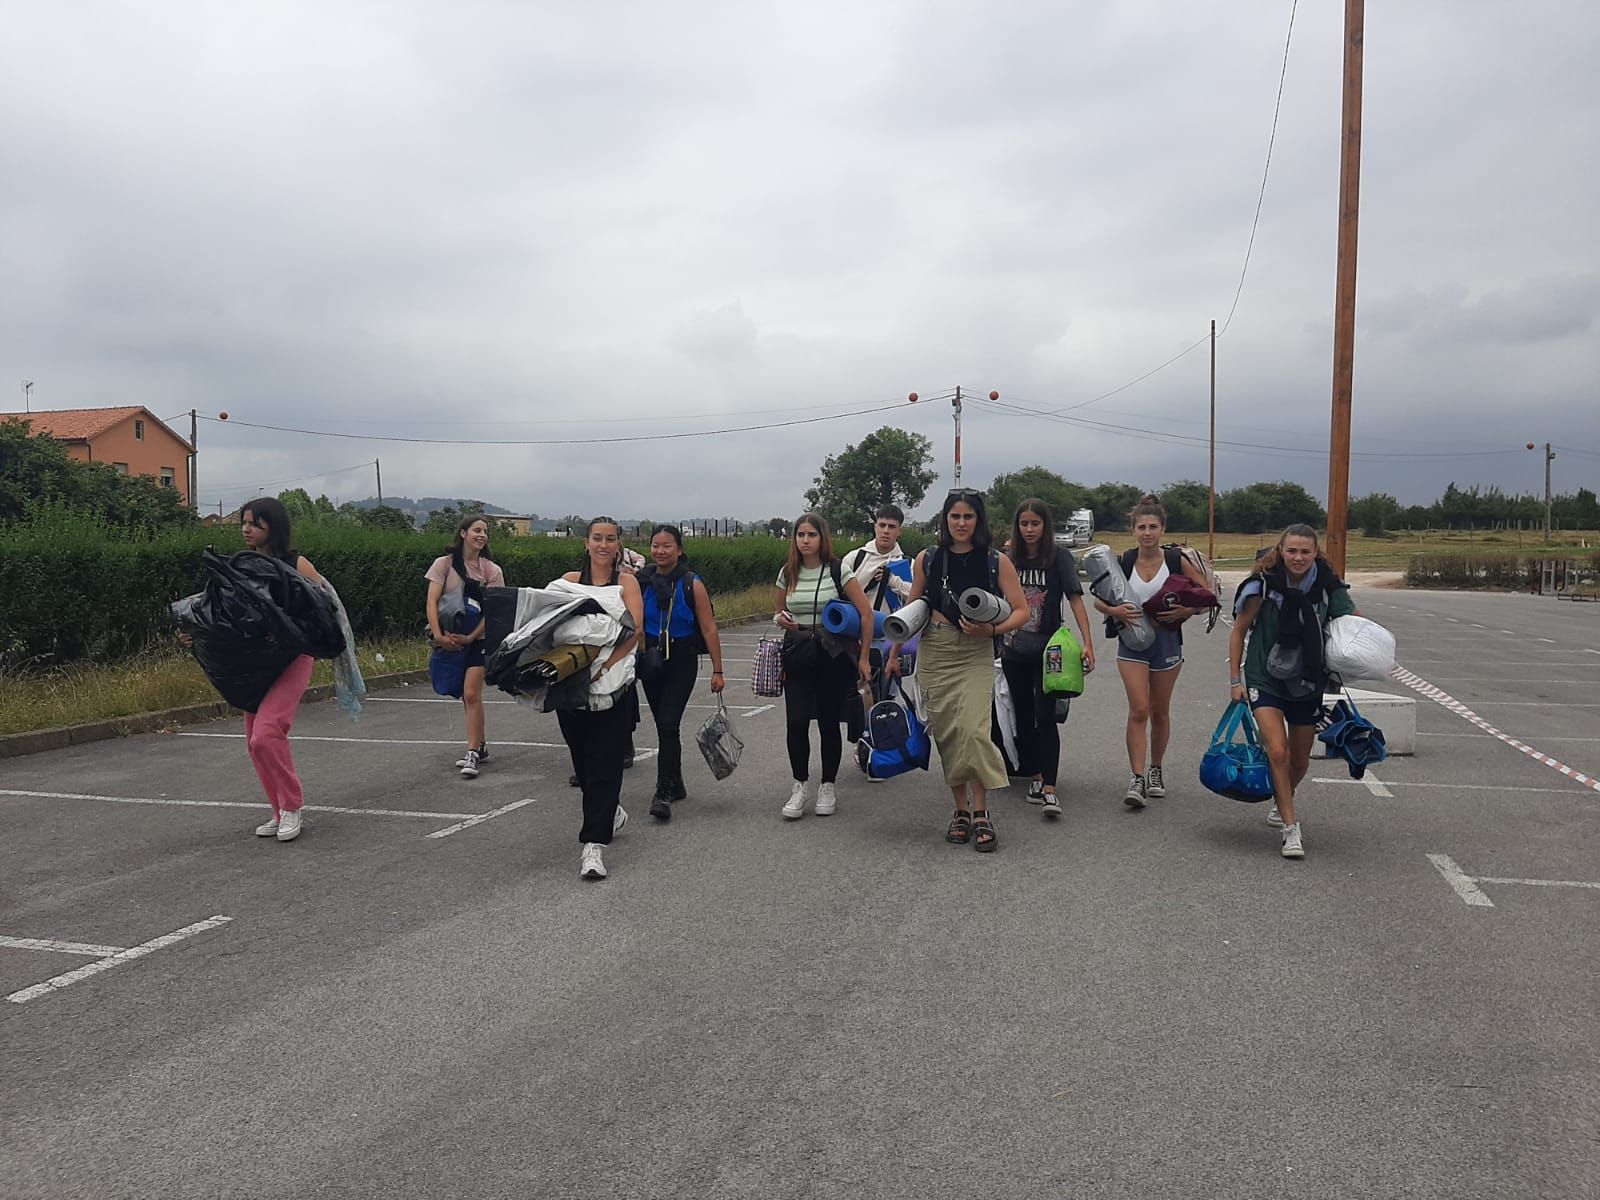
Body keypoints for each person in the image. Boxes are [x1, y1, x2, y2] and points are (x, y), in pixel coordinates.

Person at [887, 488, 1028, 852]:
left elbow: (1021, 610)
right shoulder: (928, 558)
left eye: (968, 516)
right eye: (955, 516)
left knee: (974, 730)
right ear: (944, 520)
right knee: (949, 734)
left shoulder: (997, 561)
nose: (961, 523)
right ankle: (961, 811)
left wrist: (992, 630)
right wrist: (894, 652)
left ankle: (982, 812)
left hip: (976, 651)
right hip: (936, 650)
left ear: (978, 520)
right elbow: (913, 609)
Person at [193, 497, 325, 843]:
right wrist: (195, 630)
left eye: (254, 523)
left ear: (273, 526)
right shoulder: (241, 566)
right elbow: (221, 613)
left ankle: (292, 805)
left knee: (267, 734)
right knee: (255, 743)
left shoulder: (297, 563)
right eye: (244, 523)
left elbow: (324, 607)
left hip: (293, 660)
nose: (246, 529)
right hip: (255, 663)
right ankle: (278, 810)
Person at [1228, 524, 1356, 860]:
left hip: (1308, 680)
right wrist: (1234, 680)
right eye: (1291, 551)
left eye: (1305, 551)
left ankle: (1282, 796)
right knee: (1279, 752)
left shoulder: (1329, 588)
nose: (1298, 557)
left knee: (1299, 760)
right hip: (1264, 677)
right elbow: (1239, 629)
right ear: (1280, 551)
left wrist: (1371, 651)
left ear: (1316, 553)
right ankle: (1290, 828)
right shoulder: (1263, 585)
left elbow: (1353, 623)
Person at [1091, 494, 1211, 810]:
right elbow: (1098, 600)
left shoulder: (1175, 561)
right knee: (1139, 709)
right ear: (1133, 530)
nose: (1147, 533)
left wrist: (1183, 612)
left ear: (1162, 529)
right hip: (1130, 642)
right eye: (1141, 527)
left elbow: (1205, 597)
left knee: (1159, 711)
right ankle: (1136, 777)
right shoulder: (1125, 561)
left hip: (1167, 642)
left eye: (1153, 527)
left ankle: (1155, 768)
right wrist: (1116, 611)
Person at [773, 513, 874, 820]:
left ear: (822, 538)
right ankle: (799, 785)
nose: (805, 540)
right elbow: (779, 611)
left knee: (828, 722)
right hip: (799, 653)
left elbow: (865, 614)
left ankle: (827, 785)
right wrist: (782, 620)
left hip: (831, 656)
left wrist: (864, 657)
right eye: (800, 535)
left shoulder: (837, 569)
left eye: (811, 535)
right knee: (796, 722)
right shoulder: (787, 572)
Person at [559, 516, 644, 880]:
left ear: (618, 544)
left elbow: (634, 630)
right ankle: (611, 811)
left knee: (606, 765)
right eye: (597, 538)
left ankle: (593, 847)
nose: (603, 545)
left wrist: (605, 664)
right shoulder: (567, 582)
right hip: (571, 687)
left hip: (613, 686)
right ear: (586, 542)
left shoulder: (627, 583)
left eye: (610, 539)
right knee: (584, 766)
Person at [1001, 498, 1096, 818]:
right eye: (1024, 524)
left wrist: (1088, 643)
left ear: (1046, 526)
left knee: (1046, 716)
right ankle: (1036, 776)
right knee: (1023, 716)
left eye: (1035, 524)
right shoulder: (1008, 559)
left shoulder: (1059, 558)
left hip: (1050, 651)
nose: (1029, 530)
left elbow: (1075, 599)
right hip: (1013, 649)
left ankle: (1051, 787)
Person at [636, 524, 726, 821]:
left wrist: (718, 669)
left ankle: (663, 791)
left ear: (679, 549)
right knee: (664, 725)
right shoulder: (642, 581)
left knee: (668, 722)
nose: (660, 551)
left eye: (667, 546)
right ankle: (677, 784)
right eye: (656, 546)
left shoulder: (691, 583)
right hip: (651, 659)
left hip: (682, 660)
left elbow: (709, 627)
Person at [424, 515, 506, 779]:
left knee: (472, 693)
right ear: (463, 533)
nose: (482, 535)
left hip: (479, 640)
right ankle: (480, 745)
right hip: (450, 636)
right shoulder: (444, 565)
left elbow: (493, 611)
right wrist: (438, 636)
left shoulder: (492, 571)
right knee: (459, 690)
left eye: (485, 531)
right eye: (477, 530)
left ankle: (471, 751)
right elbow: (432, 601)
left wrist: (471, 638)